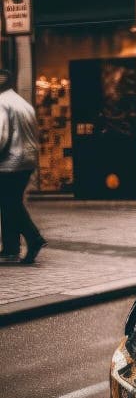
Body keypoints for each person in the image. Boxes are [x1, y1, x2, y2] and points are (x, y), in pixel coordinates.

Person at [0, 68, 46, 264]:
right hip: (26, 161)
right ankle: (10, 249)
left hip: (8, 162)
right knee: (10, 203)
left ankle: (33, 238)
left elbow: (1, 136)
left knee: (9, 204)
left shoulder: (1, 103)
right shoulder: (22, 103)